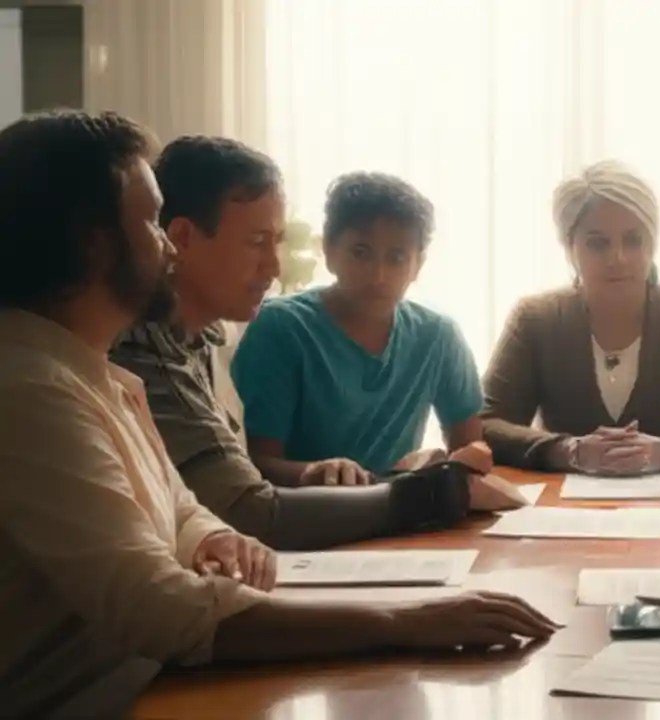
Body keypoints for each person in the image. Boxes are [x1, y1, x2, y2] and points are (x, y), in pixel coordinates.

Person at [0, 111, 556, 718]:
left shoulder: (100, 372)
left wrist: (209, 535)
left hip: (150, 686)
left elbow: (181, 506)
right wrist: (404, 621)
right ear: (94, 243)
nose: (168, 245)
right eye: (153, 223)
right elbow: (160, 608)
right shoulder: (30, 392)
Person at [111, 135, 482, 550]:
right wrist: (429, 493)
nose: (274, 267)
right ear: (181, 238)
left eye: (277, 241)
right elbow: (251, 510)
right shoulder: (142, 355)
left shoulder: (204, 339)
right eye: (257, 242)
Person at [481, 160, 660, 474]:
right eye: (598, 243)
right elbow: (485, 425)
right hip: (562, 502)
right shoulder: (535, 319)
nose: (618, 258)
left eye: (633, 240)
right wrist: (567, 451)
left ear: (653, 244)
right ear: (569, 247)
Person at [232, 172, 485, 486]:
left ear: (417, 265)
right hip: (303, 510)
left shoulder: (438, 336)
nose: (378, 276)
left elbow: (470, 451)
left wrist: (466, 461)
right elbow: (250, 466)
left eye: (396, 258)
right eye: (361, 253)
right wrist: (314, 472)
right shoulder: (281, 328)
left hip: (397, 509)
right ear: (329, 251)